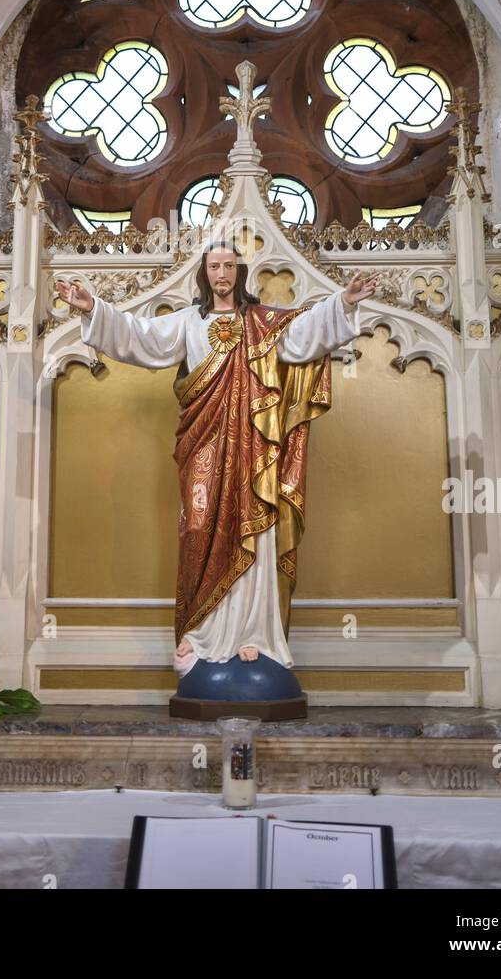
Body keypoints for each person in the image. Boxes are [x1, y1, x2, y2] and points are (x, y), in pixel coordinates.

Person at [54, 242, 377, 678]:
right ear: (204, 273)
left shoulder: (261, 323)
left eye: (228, 265)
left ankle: (254, 635)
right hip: (203, 449)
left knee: (255, 529)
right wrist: (93, 307)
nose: (221, 273)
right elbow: (140, 337)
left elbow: (302, 333)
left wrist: (343, 302)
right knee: (199, 527)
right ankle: (202, 633)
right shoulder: (189, 322)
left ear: (240, 272)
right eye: (213, 266)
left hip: (253, 451)